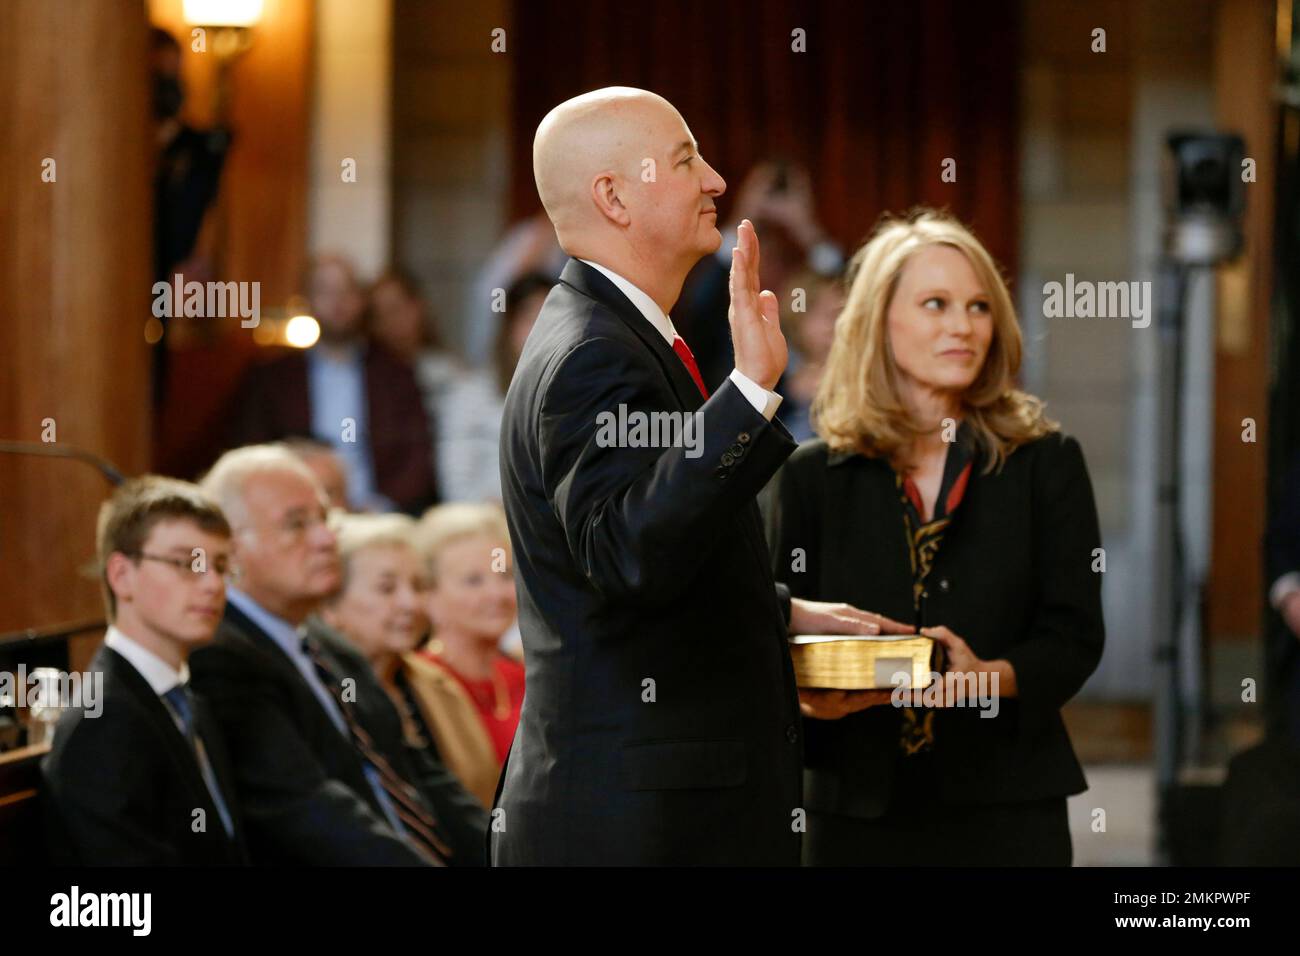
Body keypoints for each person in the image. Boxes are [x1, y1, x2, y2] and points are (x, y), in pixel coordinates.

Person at [492, 87, 905, 866]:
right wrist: (749, 392)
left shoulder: (618, 331)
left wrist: (777, 611)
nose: (716, 179)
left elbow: (656, 545)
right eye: (686, 160)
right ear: (612, 197)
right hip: (637, 826)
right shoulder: (593, 351)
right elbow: (628, 556)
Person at [762, 209, 1105, 865]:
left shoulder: (1046, 462)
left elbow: (1073, 638)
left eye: (979, 306)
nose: (963, 325)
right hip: (850, 809)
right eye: (936, 304)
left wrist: (987, 679)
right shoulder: (810, 474)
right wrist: (812, 698)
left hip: (1007, 806)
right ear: (877, 321)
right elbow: (773, 630)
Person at [189, 444, 455, 865]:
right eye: (297, 524)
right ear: (231, 549)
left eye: (325, 519)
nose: (326, 538)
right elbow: (308, 812)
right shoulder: (218, 656)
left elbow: (423, 776)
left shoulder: (331, 645)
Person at [42, 476, 247, 865]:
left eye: (221, 566)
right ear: (122, 575)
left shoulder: (188, 697)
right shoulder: (101, 720)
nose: (213, 585)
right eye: (186, 563)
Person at [313, 511, 490, 863]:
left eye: (418, 586)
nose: (411, 604)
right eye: (387, 588)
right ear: (330, 605)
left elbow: (477, 800)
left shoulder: (438, 685)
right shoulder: (320, 693)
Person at [226, 254, 438, 514]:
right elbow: (251, 453)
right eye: (324, 291)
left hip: (378, 515)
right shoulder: (273, 378)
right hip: (293, 510)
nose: (337, 301)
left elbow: (417, 455)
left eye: (346, 290)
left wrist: (380, 507)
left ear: (361, 300)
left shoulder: (395, 374)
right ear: (306, 300)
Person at [405, 503, 523, 807]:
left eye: (505, 575)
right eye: (473, 581)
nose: (497, 594)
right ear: (428, 595)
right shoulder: (414, 685)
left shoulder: (527, 674)